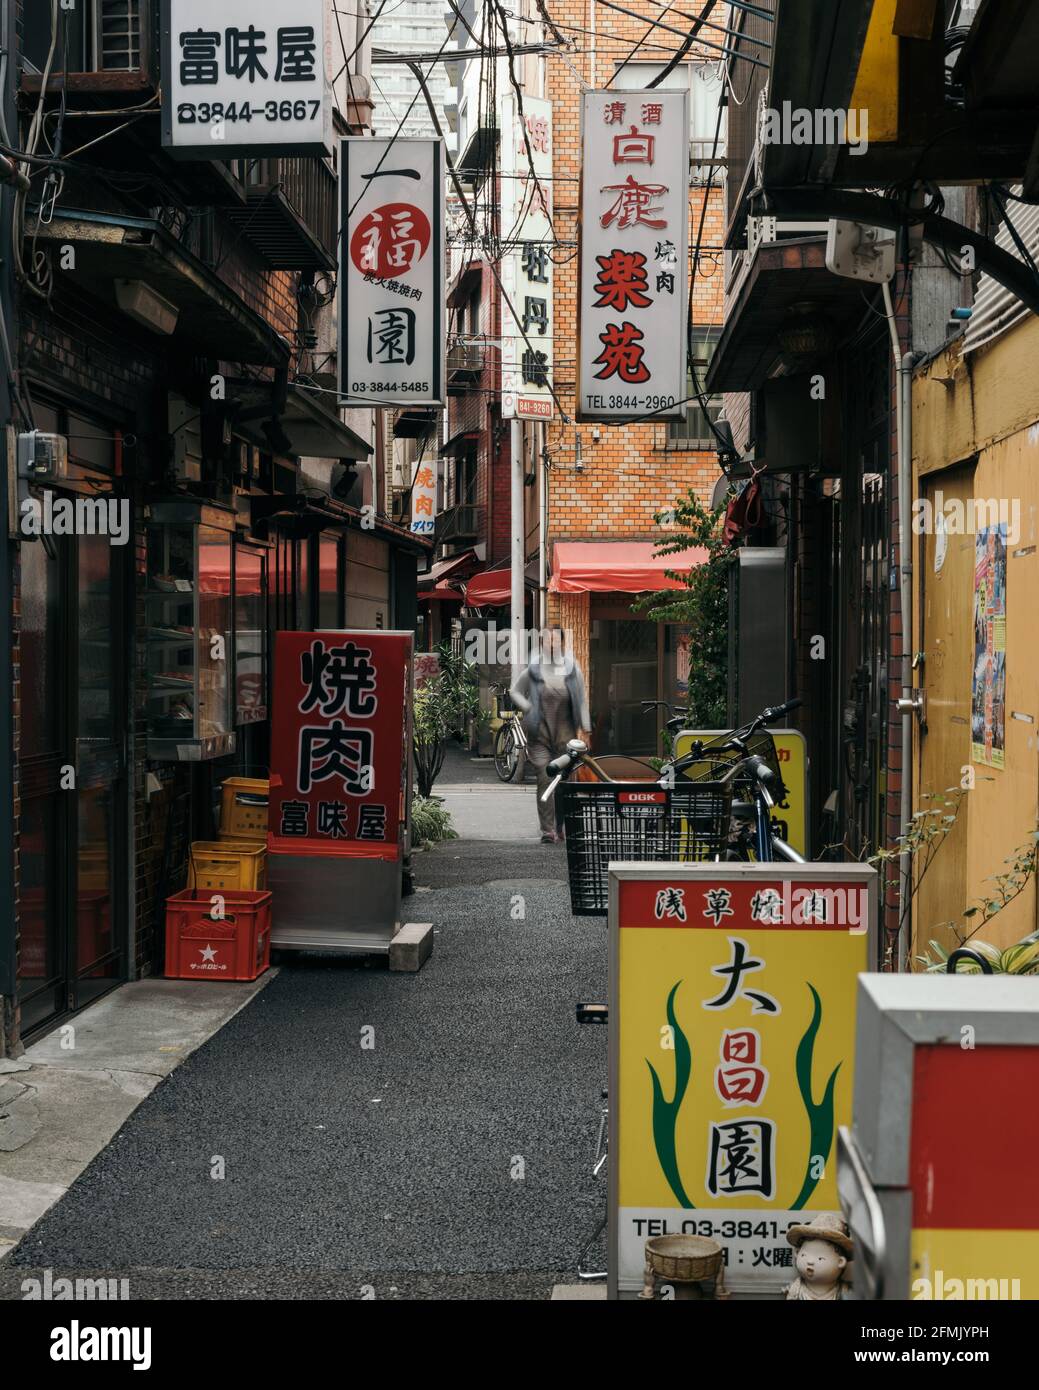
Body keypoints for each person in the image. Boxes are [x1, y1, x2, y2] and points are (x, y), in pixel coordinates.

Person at [510, 628, 592, 843]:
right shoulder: (534, 670)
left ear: (562, 643)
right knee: (545, 778)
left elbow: (581, 700)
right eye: (547, 640)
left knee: (563, 782)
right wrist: (527, 706)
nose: (551, 643)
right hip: (540, 736)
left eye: (555, 639)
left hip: (566, 738)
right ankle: (548, 830)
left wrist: (586, 729)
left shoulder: (572, 670)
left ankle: (561, 825)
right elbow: (515, 691)